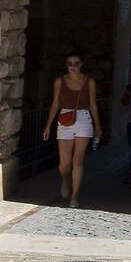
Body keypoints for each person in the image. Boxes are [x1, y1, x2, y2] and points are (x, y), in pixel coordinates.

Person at [42, 52, 102, 208]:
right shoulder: (59, 82)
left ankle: (75, 195)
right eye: (70, 63)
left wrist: (98, 126)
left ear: (81, 64)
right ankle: (65, 180)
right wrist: (48, 125)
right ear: (66, 65)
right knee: (64, 164)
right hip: (64, 119)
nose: (73, 66)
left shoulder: (89, 82)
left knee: (78, 160)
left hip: (83, 119)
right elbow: (55, 104)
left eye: (76, 63)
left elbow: (93, 104)